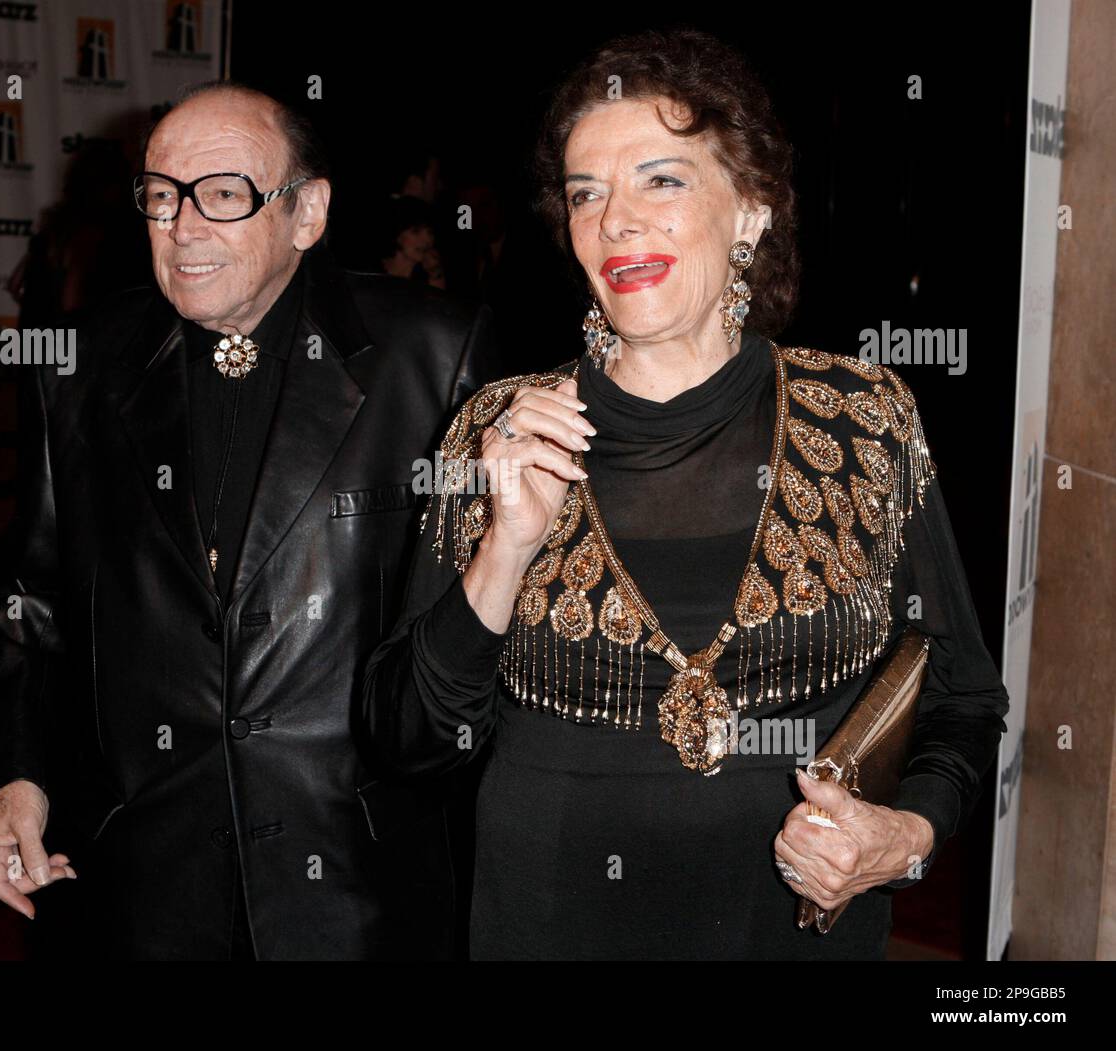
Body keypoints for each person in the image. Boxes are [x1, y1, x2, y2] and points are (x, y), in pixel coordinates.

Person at [363, 28, 1010, 960]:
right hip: (550, 923)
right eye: (588, 194)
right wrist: (503, 549)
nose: (616, 221)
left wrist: (905, 836)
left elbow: (963, 696)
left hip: (794, 931)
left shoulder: (861, 420)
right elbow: (406, 739)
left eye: (660, 180)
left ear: (750, 210)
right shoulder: (498, 430)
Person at [0, 81, 495, 960]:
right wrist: (17, 780)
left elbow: (472, 626)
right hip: (142, 885)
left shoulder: (434, 357)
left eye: (224, 195)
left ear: (308, 212)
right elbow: (31, 599)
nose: (183, 227)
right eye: (162, 195)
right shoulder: (77, 369)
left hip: (356, 883)